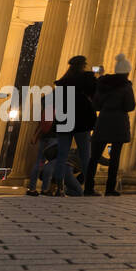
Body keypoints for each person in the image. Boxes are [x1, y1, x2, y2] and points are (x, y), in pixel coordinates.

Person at [85, 54, 136, 196]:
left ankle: (88, 187)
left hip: (103, 121)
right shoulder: (126, 86)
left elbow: (96, 104)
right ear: (127, 72)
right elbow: (130, 106)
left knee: (94, 157)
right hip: (119, 122)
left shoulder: (103, 84)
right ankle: (110, 188)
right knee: (115, 158)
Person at [51, 55, 98, 195]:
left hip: (64, 119)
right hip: (81, 120)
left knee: (62, 155)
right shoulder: (86, 79)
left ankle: (58, 187)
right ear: (83, 65)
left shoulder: (63, 82)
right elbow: (95, 95)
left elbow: (55, 102)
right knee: (85, 156)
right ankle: (89, 187)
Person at [24, 87, 58, 197]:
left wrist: (35, 135)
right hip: (55, 137)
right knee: (52, 163)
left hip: (43, 136)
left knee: (39, 161)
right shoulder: (61, 105)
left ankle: (32, 188)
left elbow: (41, 123)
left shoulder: (46, 105)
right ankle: (45, 188)